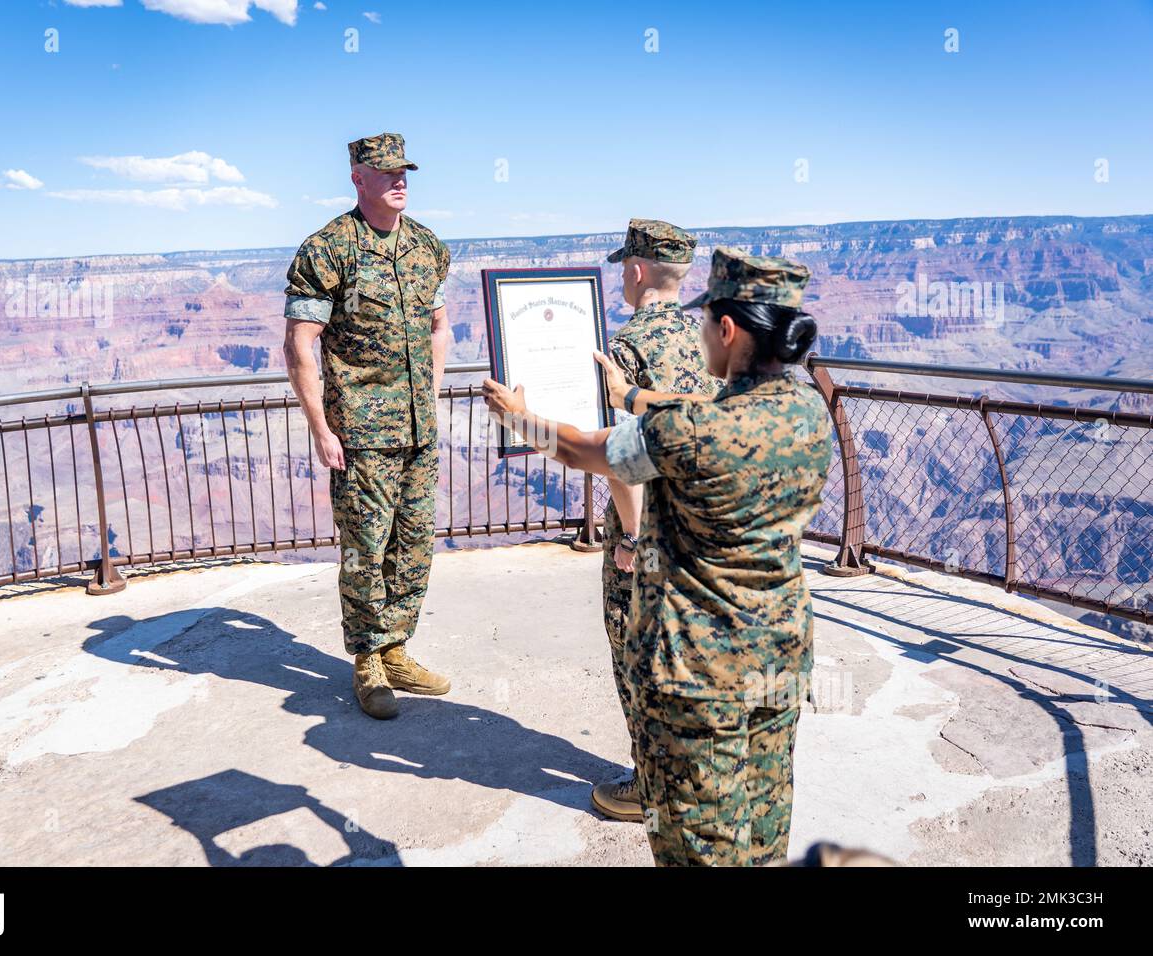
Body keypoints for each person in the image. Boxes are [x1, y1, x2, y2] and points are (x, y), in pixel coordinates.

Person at [481, 245, 834, 866]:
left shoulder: (689, 436)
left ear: (728, 330)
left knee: (697, 840)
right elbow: (705, 414)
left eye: (706, 323)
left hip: (701, 670)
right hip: (780, 653)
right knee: (762, 823)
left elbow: (580, 450)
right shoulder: (808, 411)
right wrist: (633, 396)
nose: (700, 333)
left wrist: (520, 418)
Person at [282, 132, 452, 720]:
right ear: (358, 178)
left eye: (404, 170)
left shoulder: (429, 246)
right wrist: (321, 428)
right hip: (360, 431)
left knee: (414, 544)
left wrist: (428, 397)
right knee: (365, 548)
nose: (399, 180)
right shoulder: (328, 249)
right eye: (385, 173)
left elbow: (439, 327)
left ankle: (398, 648)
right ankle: (367, 661)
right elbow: (300, 344)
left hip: (417, 431)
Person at [593, 219, 718, 823]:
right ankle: (699, 774)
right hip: (704, 525)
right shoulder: (709, 340)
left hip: (650, 528)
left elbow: (623, 456)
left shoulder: (628, 346)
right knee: (690, 652)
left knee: (638, 654)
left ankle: (650, 786)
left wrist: (633, 540)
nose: (622, 275)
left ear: (638, 271)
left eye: (624, 266)